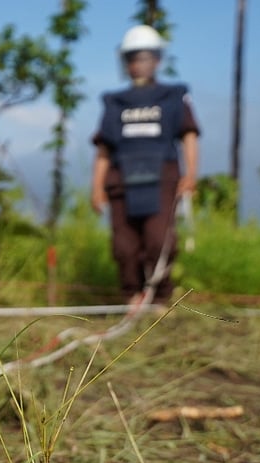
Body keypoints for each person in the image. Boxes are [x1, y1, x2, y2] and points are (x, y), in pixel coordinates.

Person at [90, 24, 200, 306]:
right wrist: (96, 187)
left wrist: (191, 174)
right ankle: (131, 297)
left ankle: (161, 299)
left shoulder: (173, 98)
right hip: (121, 181)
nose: (139, 64)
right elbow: (104, 148)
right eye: (133, 58)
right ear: (125, 62)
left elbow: (188, 135)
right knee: (125, 246)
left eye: (145, 57)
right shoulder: (115, 103)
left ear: (157, 59)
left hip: (161, 179)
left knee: (158, 240)